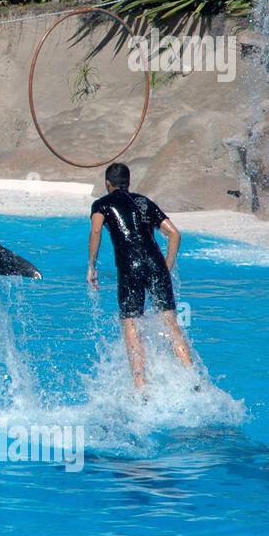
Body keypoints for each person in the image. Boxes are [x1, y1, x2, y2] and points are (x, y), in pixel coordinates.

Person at [86, 162, 193, 388]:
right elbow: (175, 235)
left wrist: (91, 265)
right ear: (129, 182)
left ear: (108, 183)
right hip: (156, 265)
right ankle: (192, 377)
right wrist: (166, 267)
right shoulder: (145, 202)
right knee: (170, 322)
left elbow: (96, 231)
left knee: (131, 326)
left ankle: (141, 387)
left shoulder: (101, 204)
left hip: (130, 268)